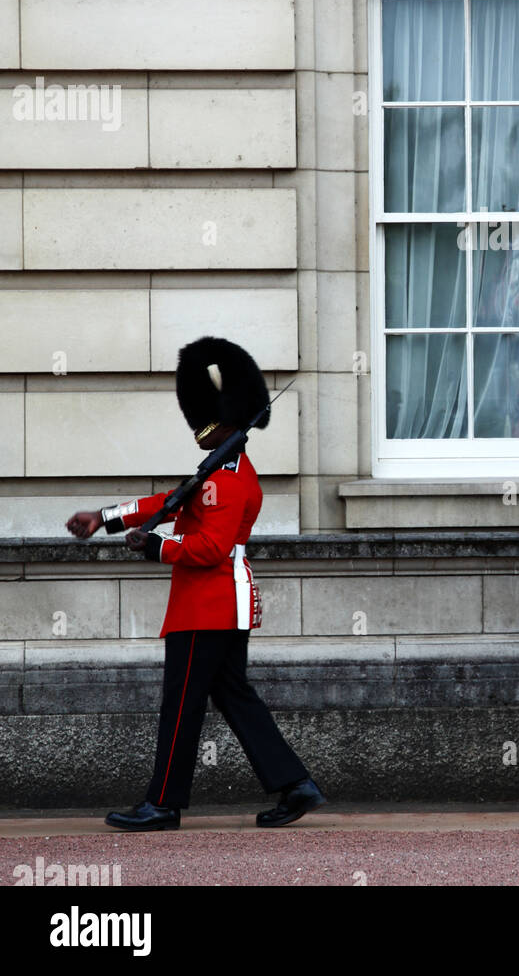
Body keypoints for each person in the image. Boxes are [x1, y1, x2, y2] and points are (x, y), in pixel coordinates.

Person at [66, 336, 325, 832]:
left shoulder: (227, 481)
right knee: (234, 697)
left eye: (205, 425)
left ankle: (163, 803)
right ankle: (296, 785)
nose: (198, 434)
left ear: (228, 425)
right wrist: (104, 517)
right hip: (218, 605)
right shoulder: (215, 472)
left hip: (209, 606)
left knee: (181, 704)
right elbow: (168, 499)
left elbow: (208, 549)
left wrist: (155, 546)